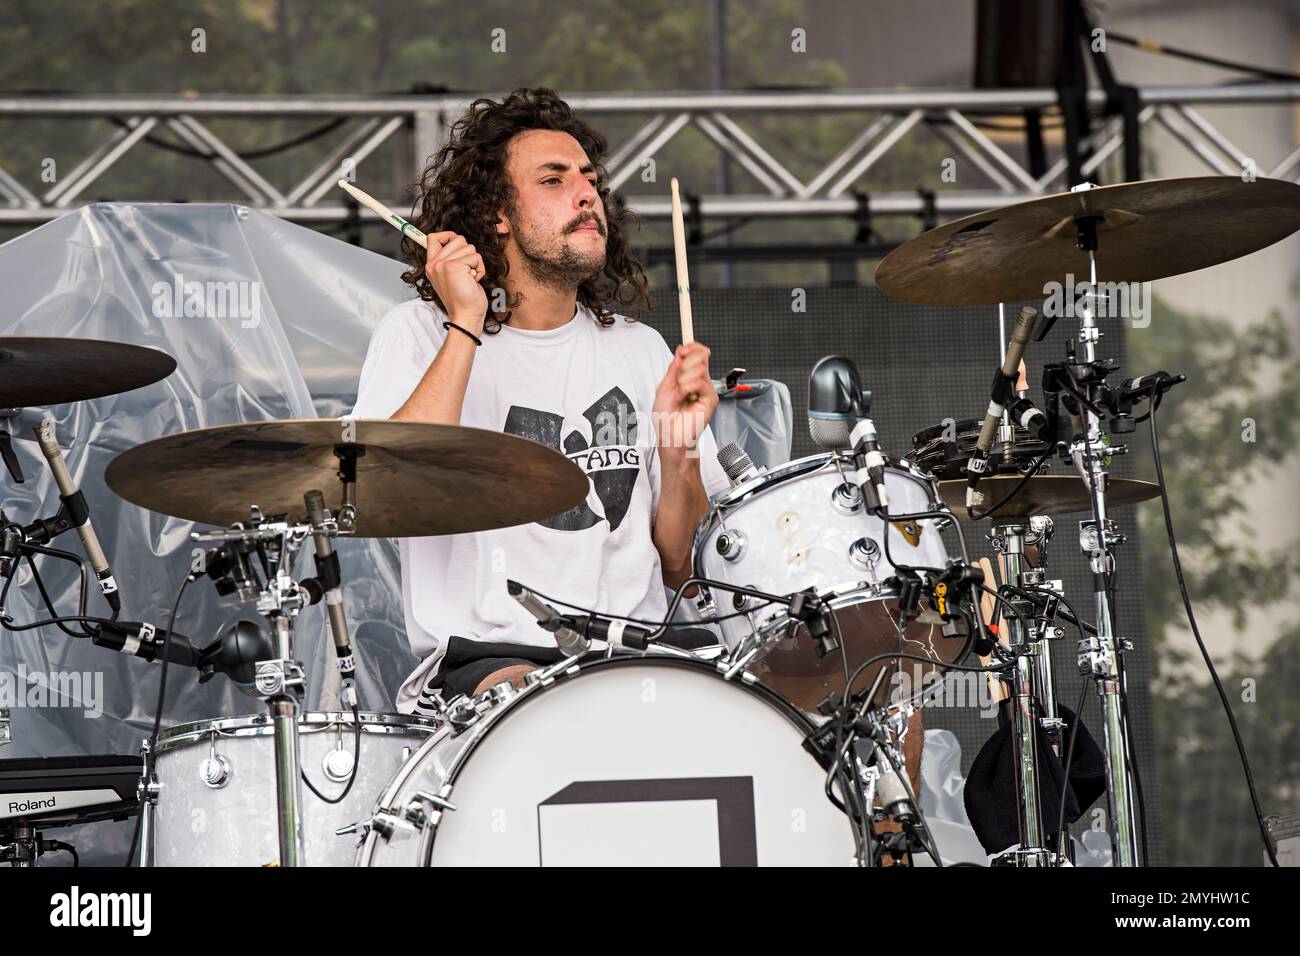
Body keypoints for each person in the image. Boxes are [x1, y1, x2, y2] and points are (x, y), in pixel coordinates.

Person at [351, 88, 731, 714]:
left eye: (590, 178)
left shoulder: (639, 349)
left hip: (637, 653)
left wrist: (678, 447)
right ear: (497, 214)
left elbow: (677, 565)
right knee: (531, 708)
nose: (587, 194)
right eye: (554, 180)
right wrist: (466, 321)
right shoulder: (420, 333)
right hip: (491, 663)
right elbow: (388, 494)